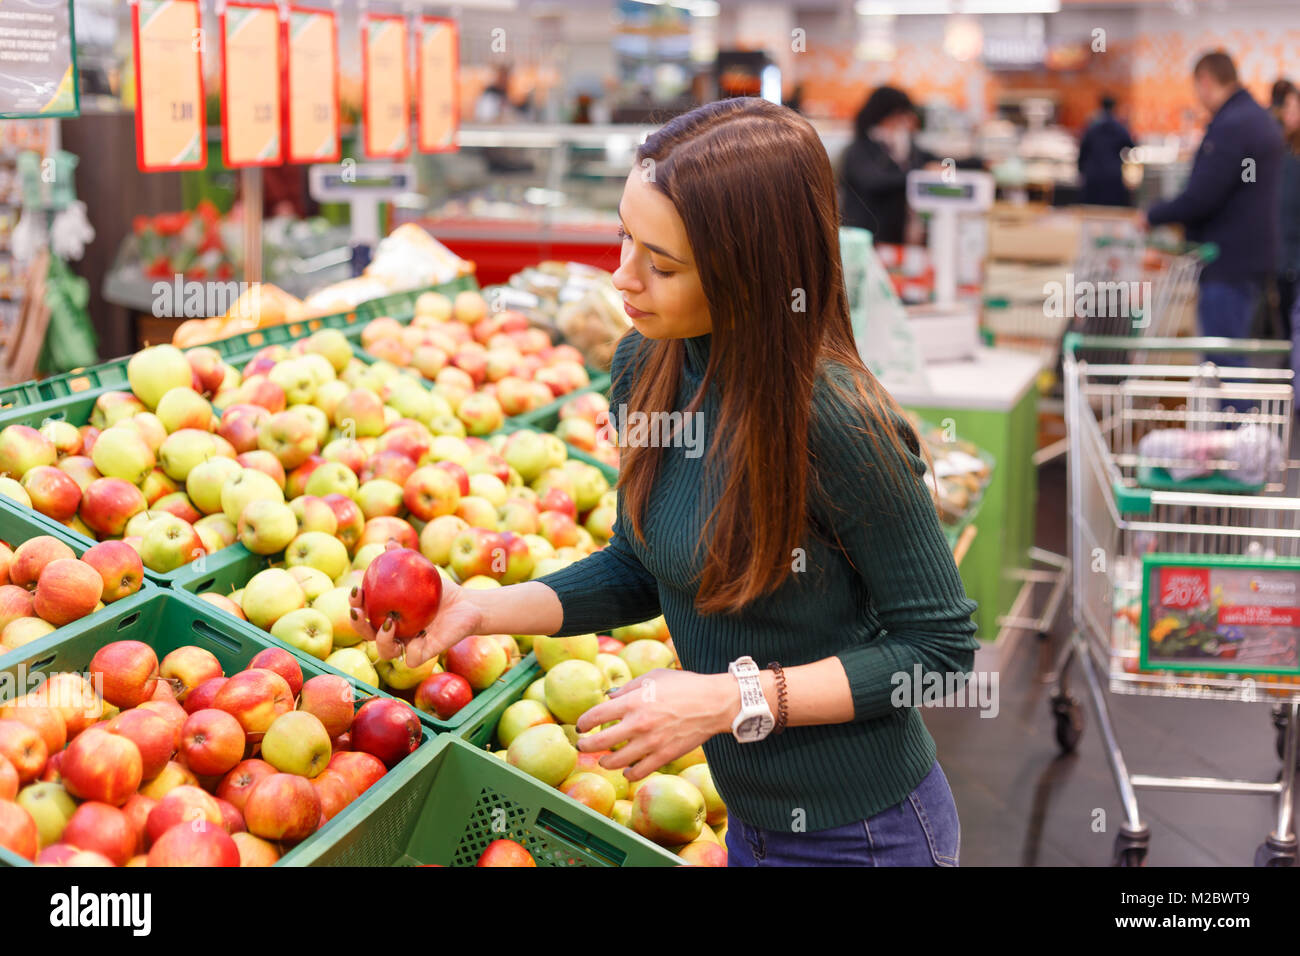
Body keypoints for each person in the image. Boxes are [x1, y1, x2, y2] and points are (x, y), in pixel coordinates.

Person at [350, 98, 980, 867]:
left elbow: (940, 648)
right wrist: (477, 609)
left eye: (663, 264)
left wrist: (731, 699)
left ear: (750, 273)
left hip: (867, 835)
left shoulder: (834, 421)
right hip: (751, 822)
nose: (623, 278)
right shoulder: (645, 368)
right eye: (624, 236)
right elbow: (637, 567)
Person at [1140, 51, 1284, 362]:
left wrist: (1153, 215)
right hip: (1250, 257)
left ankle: (1236, 412)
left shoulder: (1231, 125)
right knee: (1232, 355)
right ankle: (1236, 410)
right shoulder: (1257, 118)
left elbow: (1201, 197)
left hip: (1227, 260)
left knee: (1224, 361)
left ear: (1205, 81)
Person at [839, 86, 936, 245]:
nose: (904, 122)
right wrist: (920, 174)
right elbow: (874, 181)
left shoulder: (906, 148)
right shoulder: (860, 150)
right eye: (899, 115)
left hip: (895, 238)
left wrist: (980, 163)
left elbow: (938, 159)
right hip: (866, 240)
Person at [1077, 94, 1135, 207]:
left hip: (1093, 175)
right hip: (1112, 175)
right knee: (1112, 212)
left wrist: (1081, 170)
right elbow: (1131, 145)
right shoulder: (1119, 127)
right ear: (1114, 107)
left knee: (1091, 211)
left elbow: (1082, 150)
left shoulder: (1091, 126)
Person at [1276, 82, 1300, 338]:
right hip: (1283, 254)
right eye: (1288, 108)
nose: (1289, 113)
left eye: (1296, 108)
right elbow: (1250, 174)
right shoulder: (1280, 150)